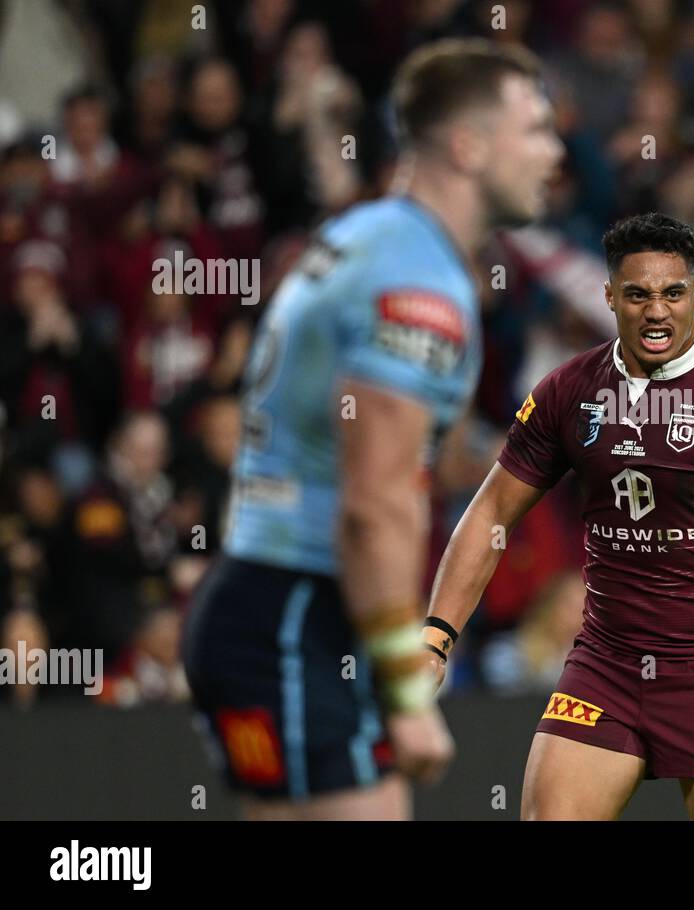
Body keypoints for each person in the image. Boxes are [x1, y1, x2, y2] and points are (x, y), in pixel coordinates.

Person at [181, 39, 563, 821]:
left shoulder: (375, 239)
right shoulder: (416, 285)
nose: (553, 151)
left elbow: (400, 457)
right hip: (300, 617)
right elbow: (374, 505)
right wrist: (406, 688)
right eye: (535, 128)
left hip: (277, 609)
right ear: (468, 146)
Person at [424, 212, 694, 821]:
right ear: (609, 296)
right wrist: (435, 639)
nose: (656, 312)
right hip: (605, 668)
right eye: (637, 295)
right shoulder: (568, 392)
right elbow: (490, 515)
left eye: (672, 294)